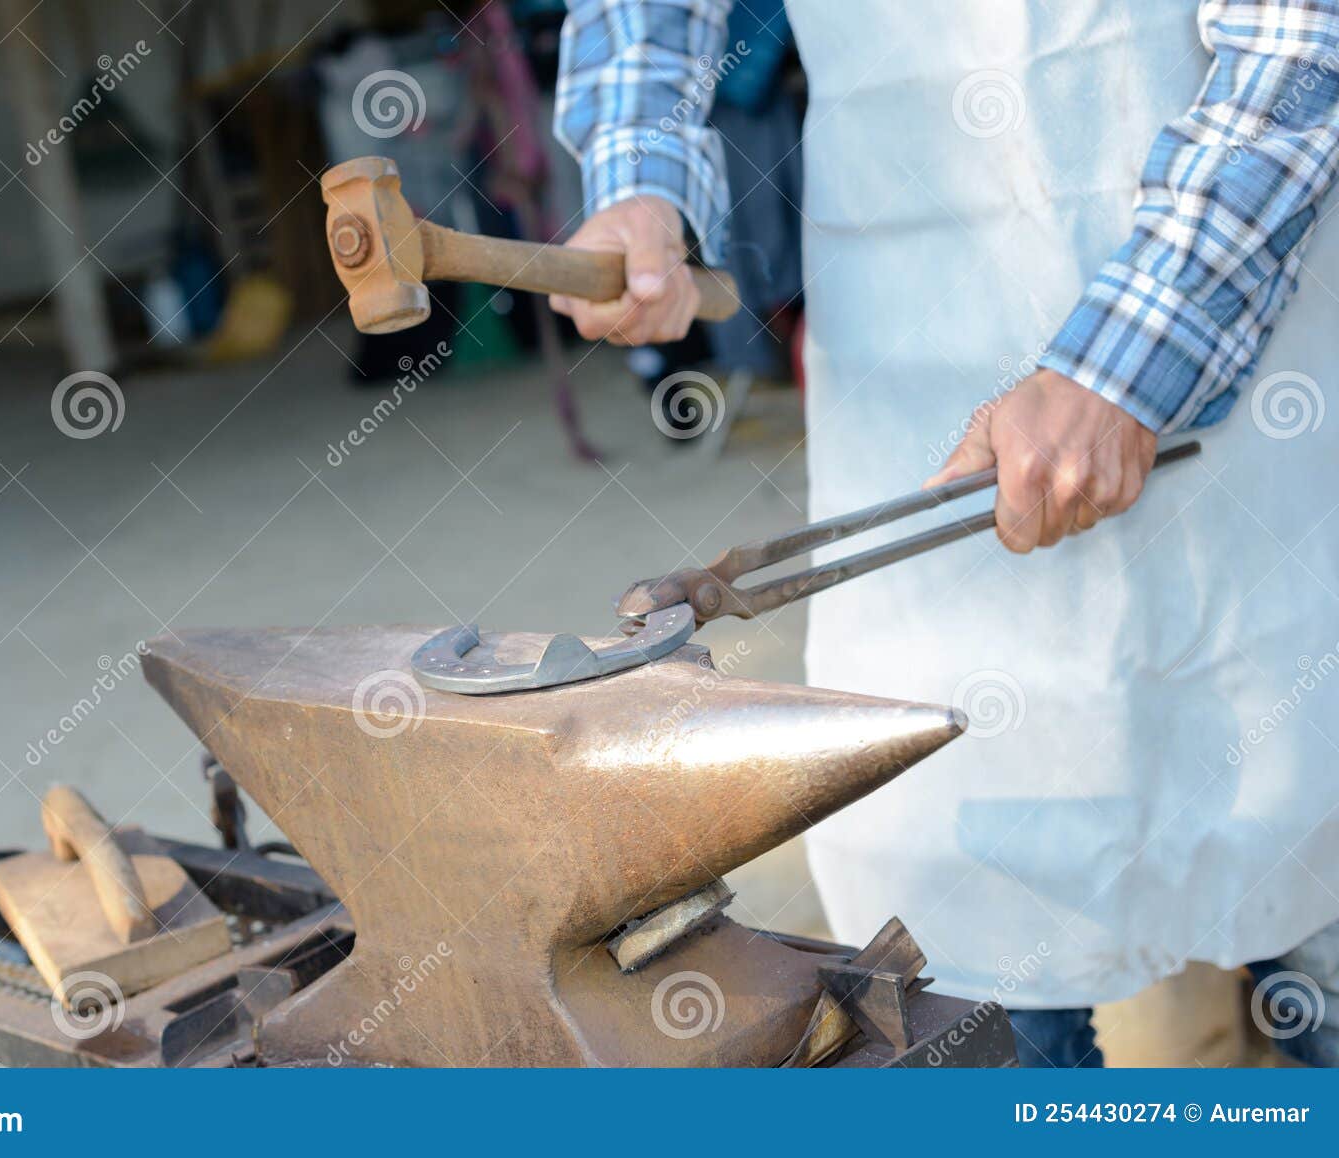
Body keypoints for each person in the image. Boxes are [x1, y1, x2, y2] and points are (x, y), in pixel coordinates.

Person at [551, 0, 1339, 1066]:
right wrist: (640, 181)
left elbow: (1301, 45)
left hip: (1238, 346)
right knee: (957, 961)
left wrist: (1124, 364)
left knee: (1298, 855)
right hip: (912, 330)